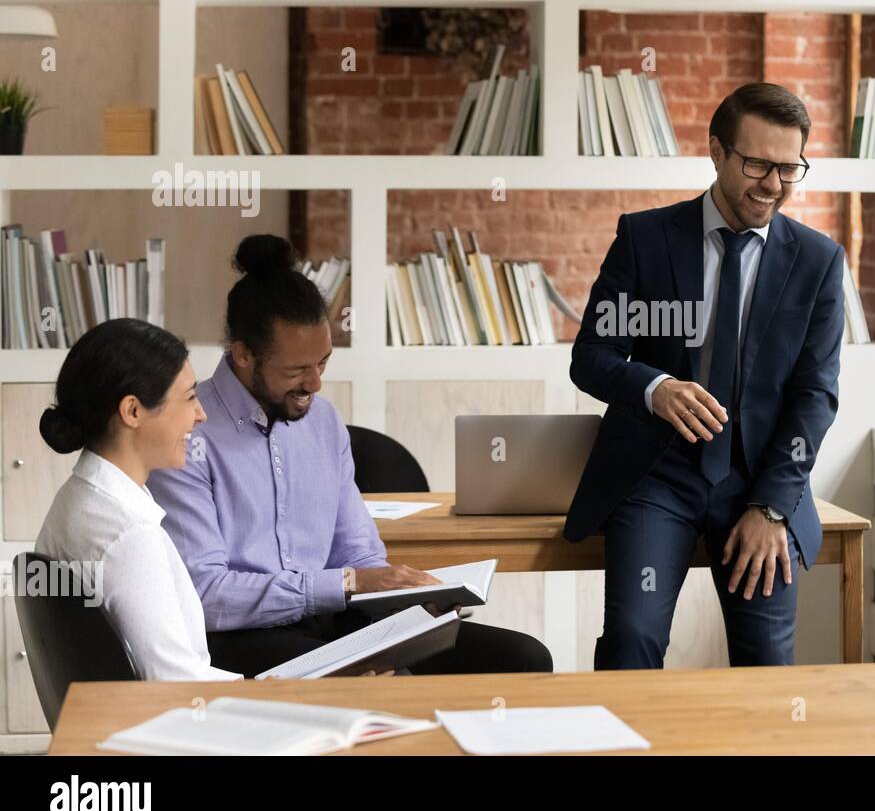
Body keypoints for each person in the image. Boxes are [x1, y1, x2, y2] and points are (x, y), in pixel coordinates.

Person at [149, 235, 552, 677]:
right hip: (242, 636)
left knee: (522, 658)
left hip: (336, 621)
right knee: (385, 681)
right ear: (243, 354)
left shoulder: (324, 422)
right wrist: (346, 585)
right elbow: (208, 594)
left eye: (322, 363)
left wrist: (405, 597)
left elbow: (358, 553)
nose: (315, 384)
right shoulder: (189, 431)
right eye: (296, 370)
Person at [566, 82, 844, 669]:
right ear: (716, 152)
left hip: (759, 482)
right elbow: (591, 354)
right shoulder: (645, 239)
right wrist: (654, 387)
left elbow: (814, 395)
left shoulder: (819, 261)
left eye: (789, 169)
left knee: (767, 663)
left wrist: (771, 508)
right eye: (757, 164)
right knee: (632, 641)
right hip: (657, 478)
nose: (773, 185)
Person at [34, 319, 241, 681]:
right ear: (132, 411)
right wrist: (278, 693)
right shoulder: (127, 535)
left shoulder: (81, 496)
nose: (201, 414)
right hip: (174, 725)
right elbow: (175, 683)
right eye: (190, 397)